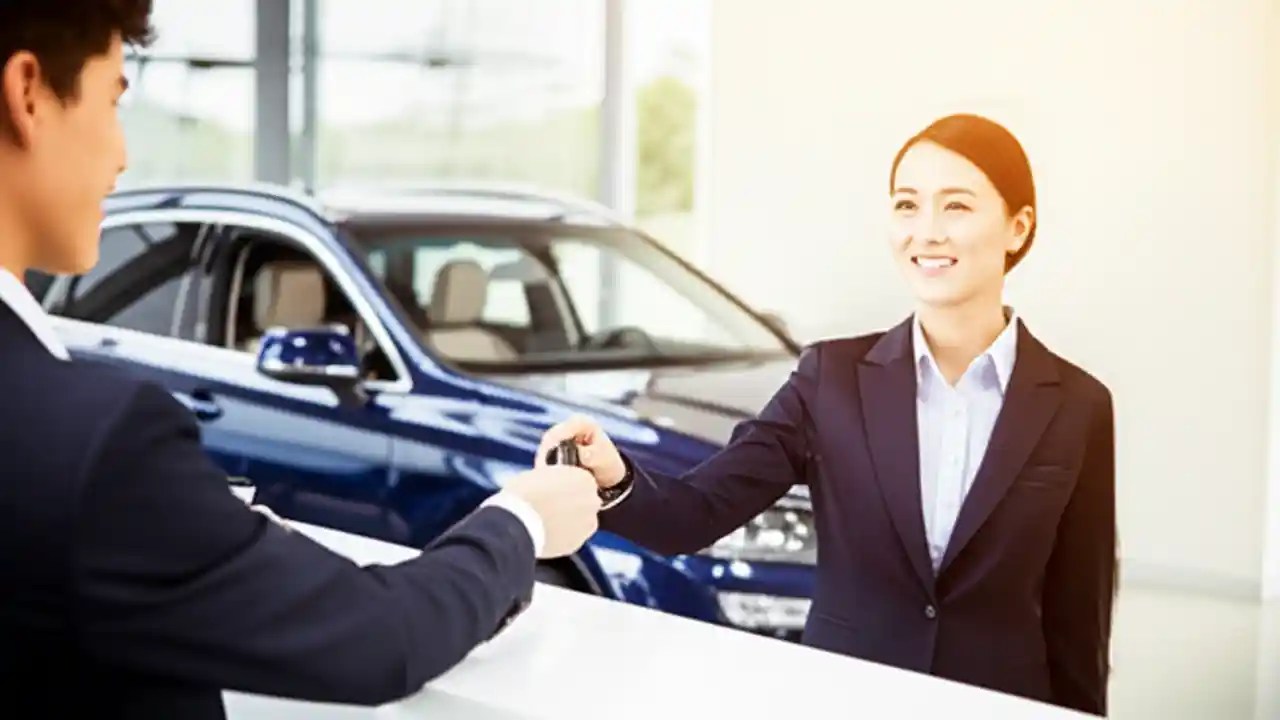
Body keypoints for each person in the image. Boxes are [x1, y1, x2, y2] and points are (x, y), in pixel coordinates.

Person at [0, 3, 603, 717]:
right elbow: (381, 636)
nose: (123, 154)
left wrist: (202, 529)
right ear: (29, 93)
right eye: (112, 100)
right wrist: (525, 517)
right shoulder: (92, 450)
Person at [538, 113, 1117, 715]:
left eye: (957, 207)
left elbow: (1079, 621)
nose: (927, 232)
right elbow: (696, 514)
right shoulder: (831, 380)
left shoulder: (1078, 406)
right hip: (846, 701)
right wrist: (613, 477)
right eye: (907, 205)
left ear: (1017, 228)